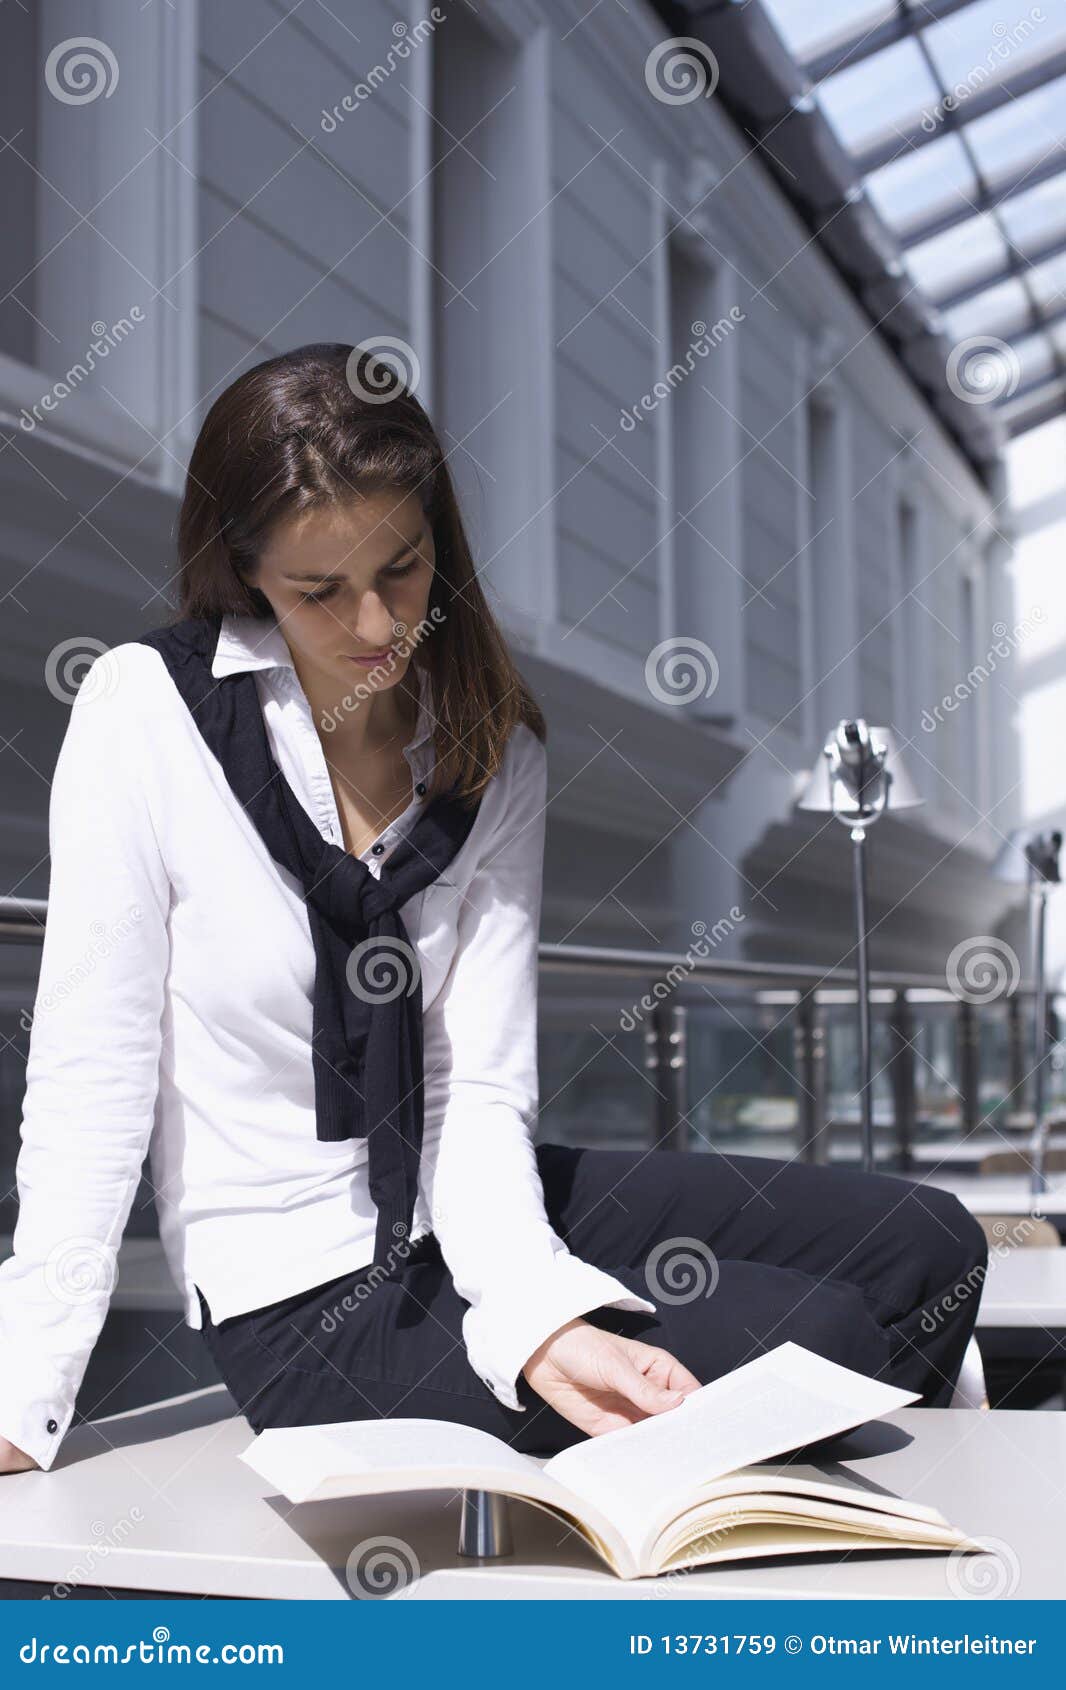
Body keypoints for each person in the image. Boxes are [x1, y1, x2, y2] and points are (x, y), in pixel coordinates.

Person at [0, 343, 988, 1476]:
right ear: (244, 572)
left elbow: (475, 1085)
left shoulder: (488, 744)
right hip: (306, 1293)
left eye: (404, 570)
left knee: (927, 1247)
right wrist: (24, 1394)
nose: (377, 624)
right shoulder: (147, 711)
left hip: (468, 1205)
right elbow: (94, 1063)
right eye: (320, 591)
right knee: (820, 1338)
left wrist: (530, 1304)